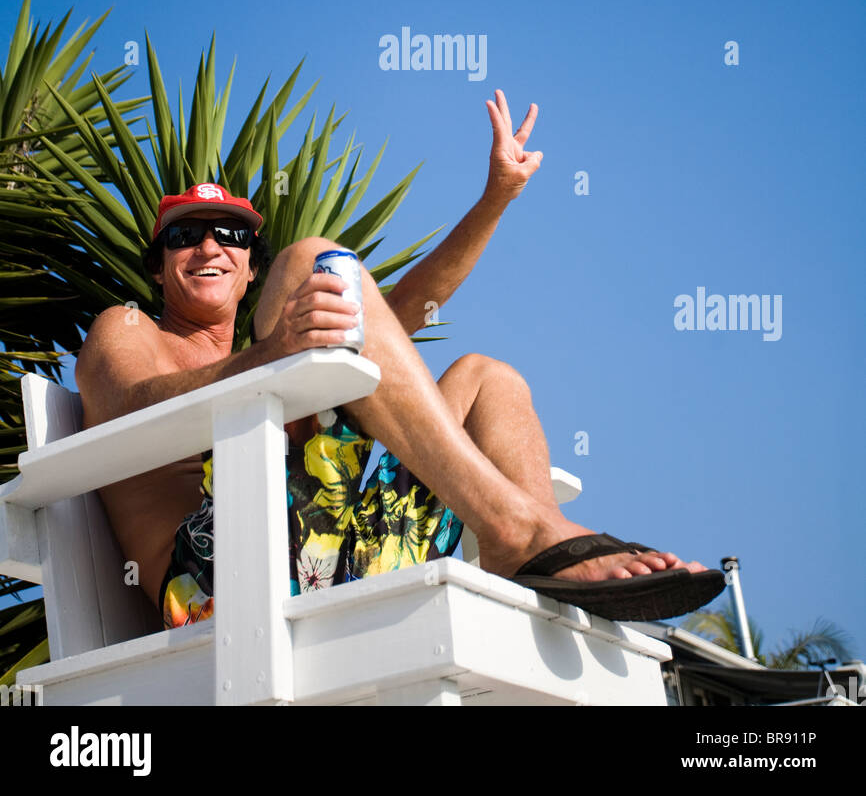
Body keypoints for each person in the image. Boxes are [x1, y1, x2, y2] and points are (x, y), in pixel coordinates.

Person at [76, 89, 725, 628]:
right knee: (311, 261)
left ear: (248, 271)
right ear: (157, 269)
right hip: (222, 584)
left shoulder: (273, 361)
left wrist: (496, 198)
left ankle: (532, 543)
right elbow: (128, 403)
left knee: (484, 377)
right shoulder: (127, 328)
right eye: (184, 235)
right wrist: (272, 354)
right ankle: (521, 529)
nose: (209, 246)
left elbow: (399, 311)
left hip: (339, 557)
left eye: (231, 235)